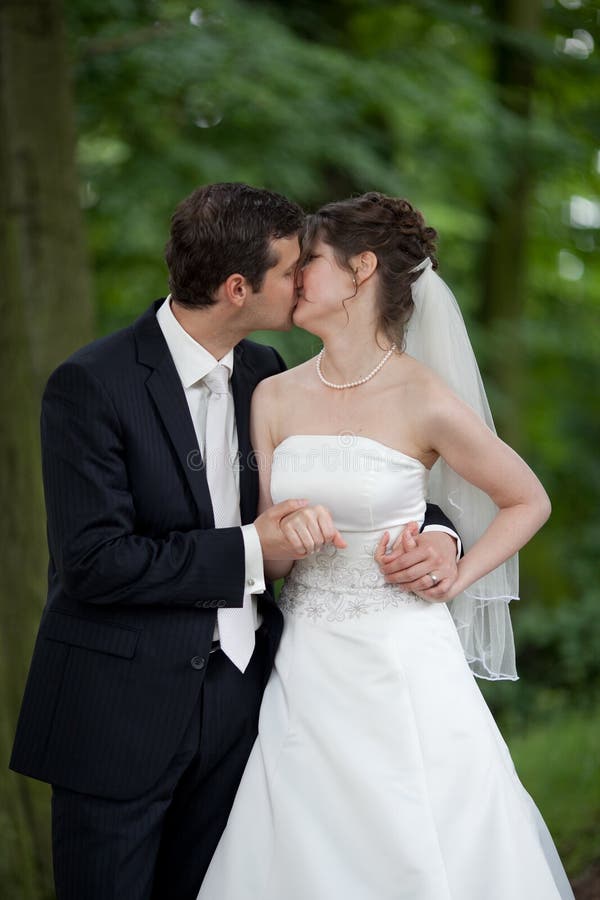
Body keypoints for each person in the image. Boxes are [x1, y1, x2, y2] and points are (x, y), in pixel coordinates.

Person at [9, 183, 460, 900]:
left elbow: (368, 479)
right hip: (118, 715)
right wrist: (252, 548)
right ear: (238, 288)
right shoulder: (89, 385)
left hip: (245, 709)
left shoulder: (265, 374)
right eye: (291, 268)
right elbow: (94, 562)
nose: (305, 277)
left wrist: (439, 535)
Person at [196, 192, 575, 900]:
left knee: (417, 840)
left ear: (362, 268)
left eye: (310, 260)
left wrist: (456, 570)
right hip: (305, 662)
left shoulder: (422, 396)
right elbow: (269, 555)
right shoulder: (273, 395)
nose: (295, 276)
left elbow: (528, 500)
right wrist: (282, 539)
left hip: (402, 659)